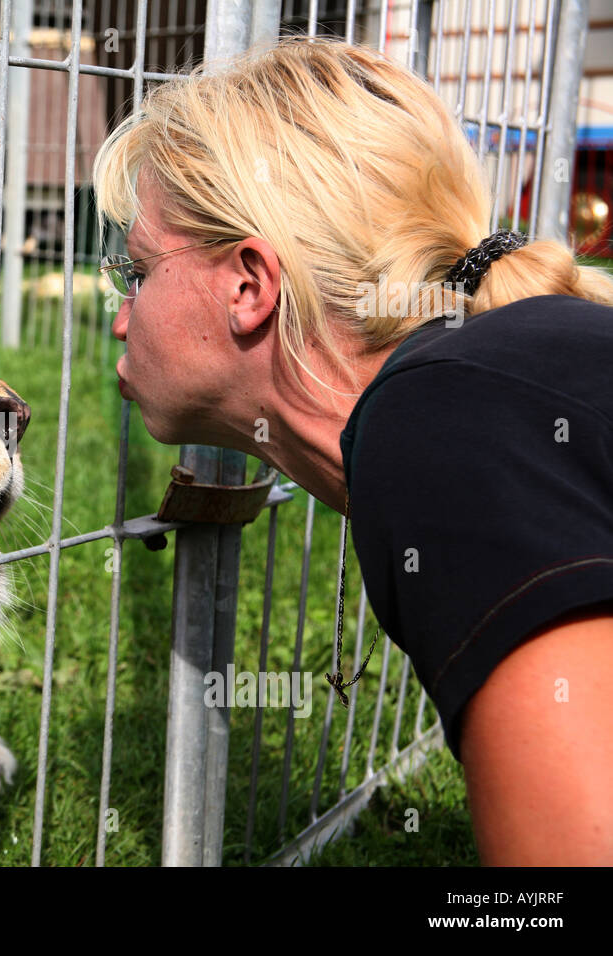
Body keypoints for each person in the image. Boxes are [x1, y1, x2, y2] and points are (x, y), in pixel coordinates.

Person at [91, 35, 613, 866]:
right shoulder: (488, 378)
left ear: (250, 287)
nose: (120, 314)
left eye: (138, 269)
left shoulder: (440, 425)